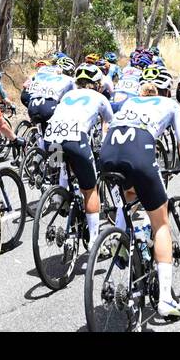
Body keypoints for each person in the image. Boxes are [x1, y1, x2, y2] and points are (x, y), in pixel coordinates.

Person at [98, 69, 180, 319]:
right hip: (139, 156)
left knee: (131, 198)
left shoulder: (129, 101)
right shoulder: (171, 105)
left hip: (108, 155)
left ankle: (124, 244)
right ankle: (165, 300)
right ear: (166, 91)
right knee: (161, 225)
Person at [45, 63, 114, 249]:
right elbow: (111, 123)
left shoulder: (68, 95)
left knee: (63, 166)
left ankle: (60, 197)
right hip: (75, 139)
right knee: (90, 189)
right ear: (98, 84)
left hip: (50, 139)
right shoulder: (99, 97)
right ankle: (94, 241)